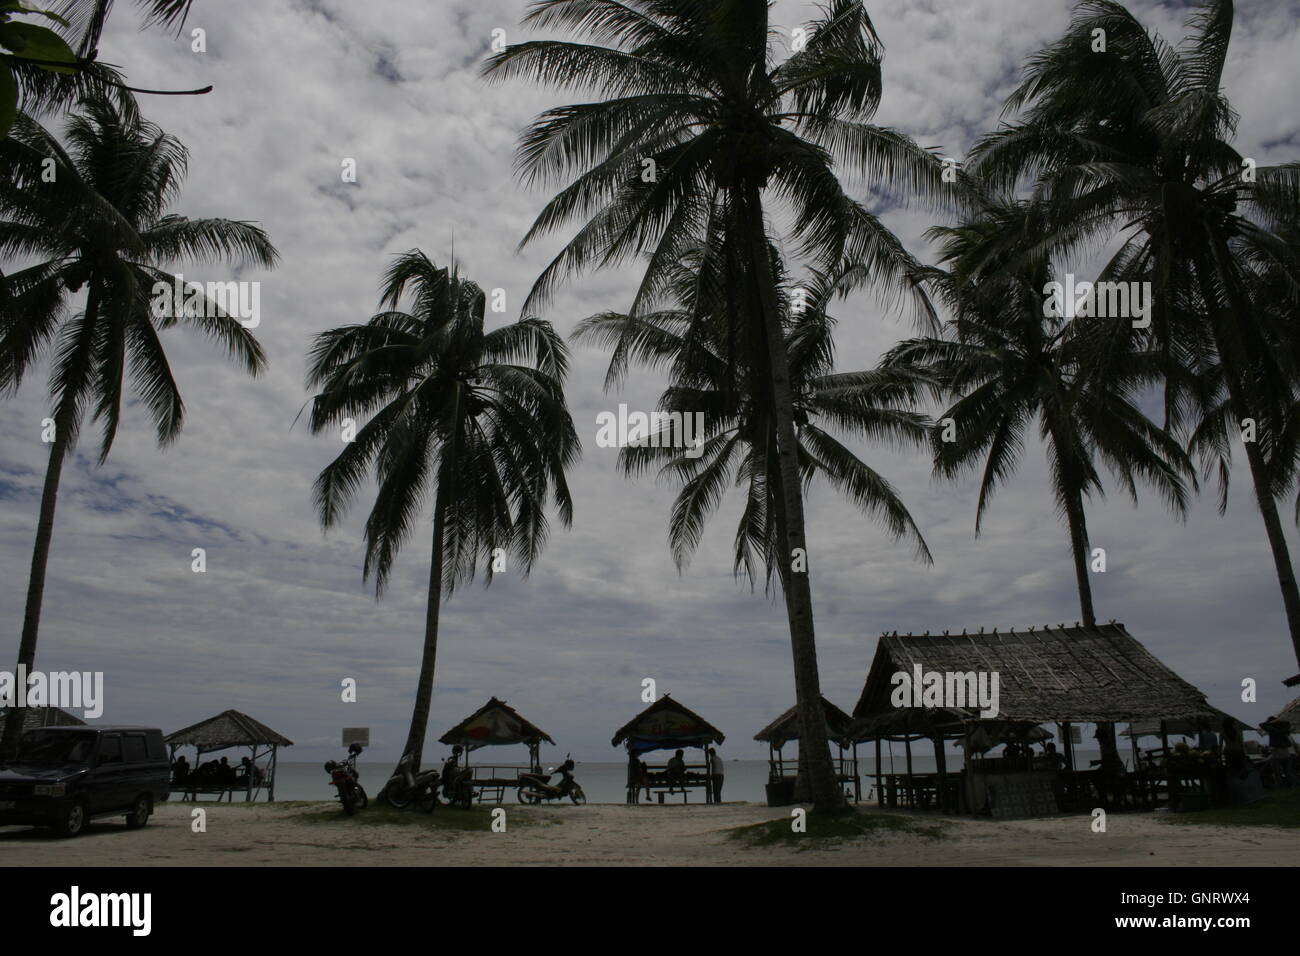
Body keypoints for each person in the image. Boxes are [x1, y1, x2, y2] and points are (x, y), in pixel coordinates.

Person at [1260, 716, 1295, 787]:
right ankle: (1295, 784)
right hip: (1286, 753)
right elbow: (1287, 723)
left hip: (1277, 753)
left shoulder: (1273, 730)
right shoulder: (1284, 729)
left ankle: (1279, 786)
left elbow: (1261, 725)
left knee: (1277, 773)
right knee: (1288, 772)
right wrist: (1279, 721)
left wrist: (1270, 722)